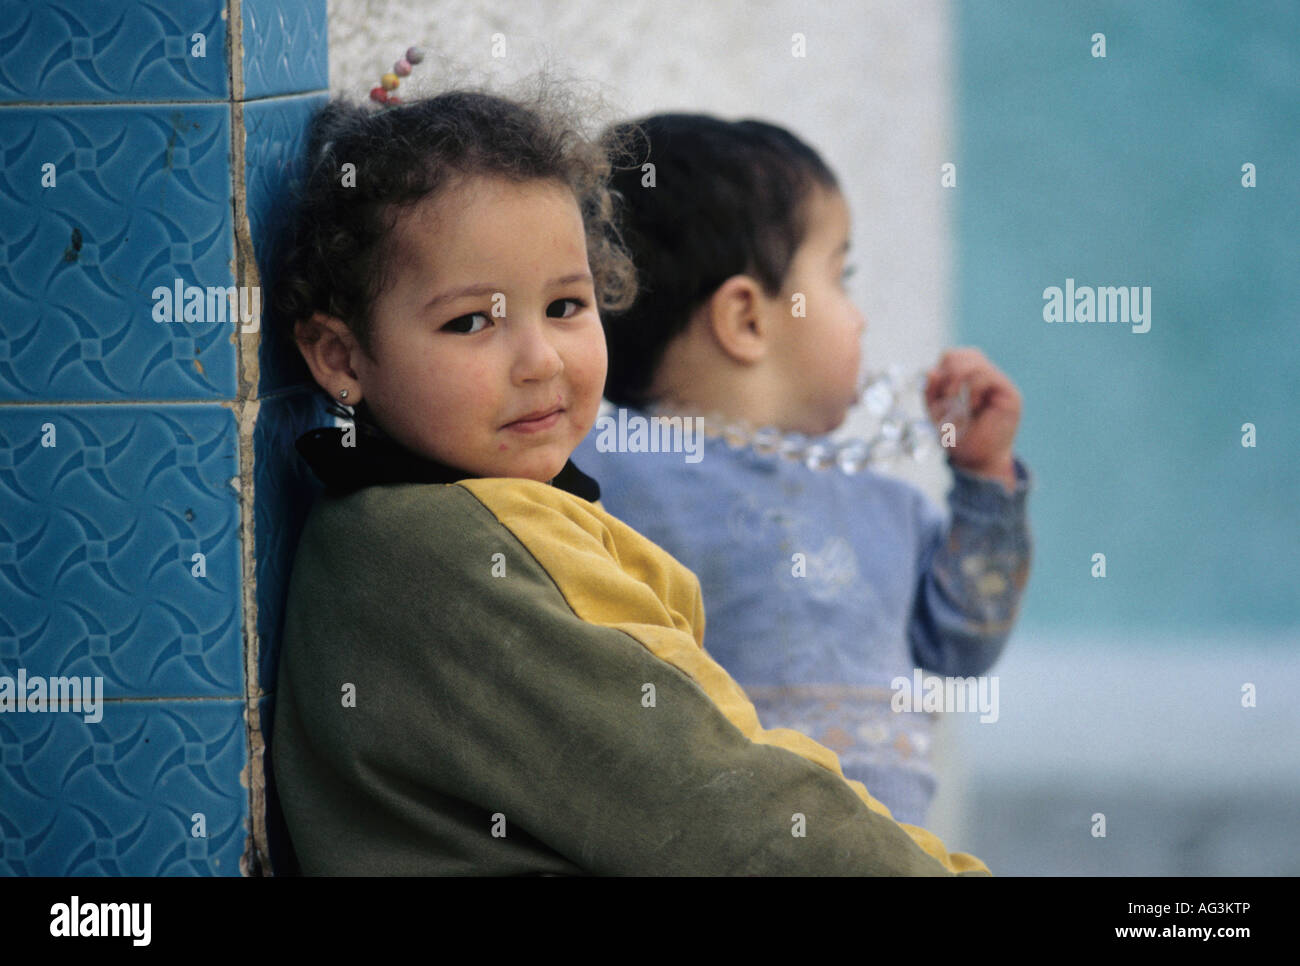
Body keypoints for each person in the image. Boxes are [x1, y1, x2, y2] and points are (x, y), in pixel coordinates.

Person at [268, 87, 989, 875]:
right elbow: (719, 802)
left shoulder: (411, 522)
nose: (540, 360)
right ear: (340, 359)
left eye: (567, 305)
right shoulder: (461, 550)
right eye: (471, 322)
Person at [574, 114, 1033, 826]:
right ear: (748, 321)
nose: (861, 320)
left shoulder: (886, 504)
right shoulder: (612, 468)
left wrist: (984, 482)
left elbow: (965, 643)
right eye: (840, 278)